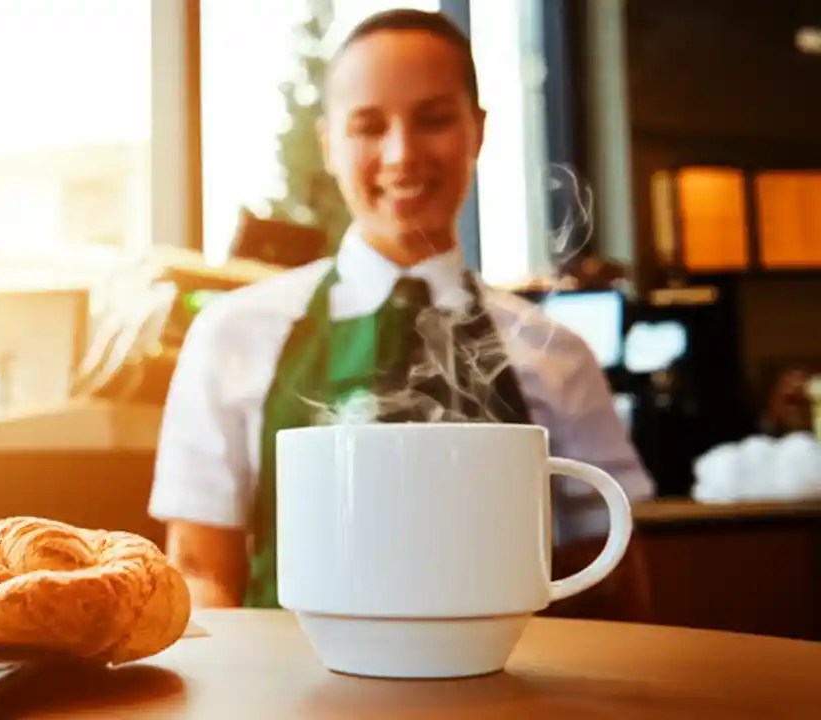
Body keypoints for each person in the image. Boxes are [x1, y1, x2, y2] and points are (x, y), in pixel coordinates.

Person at [148, 9, 655, 615]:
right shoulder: (231, 334)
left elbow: (612, 568)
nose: (401, 154)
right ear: (328, 145)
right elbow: (201, 566)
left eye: (434, 120)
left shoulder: (556, 353)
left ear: (479, 130)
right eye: (367, 126)